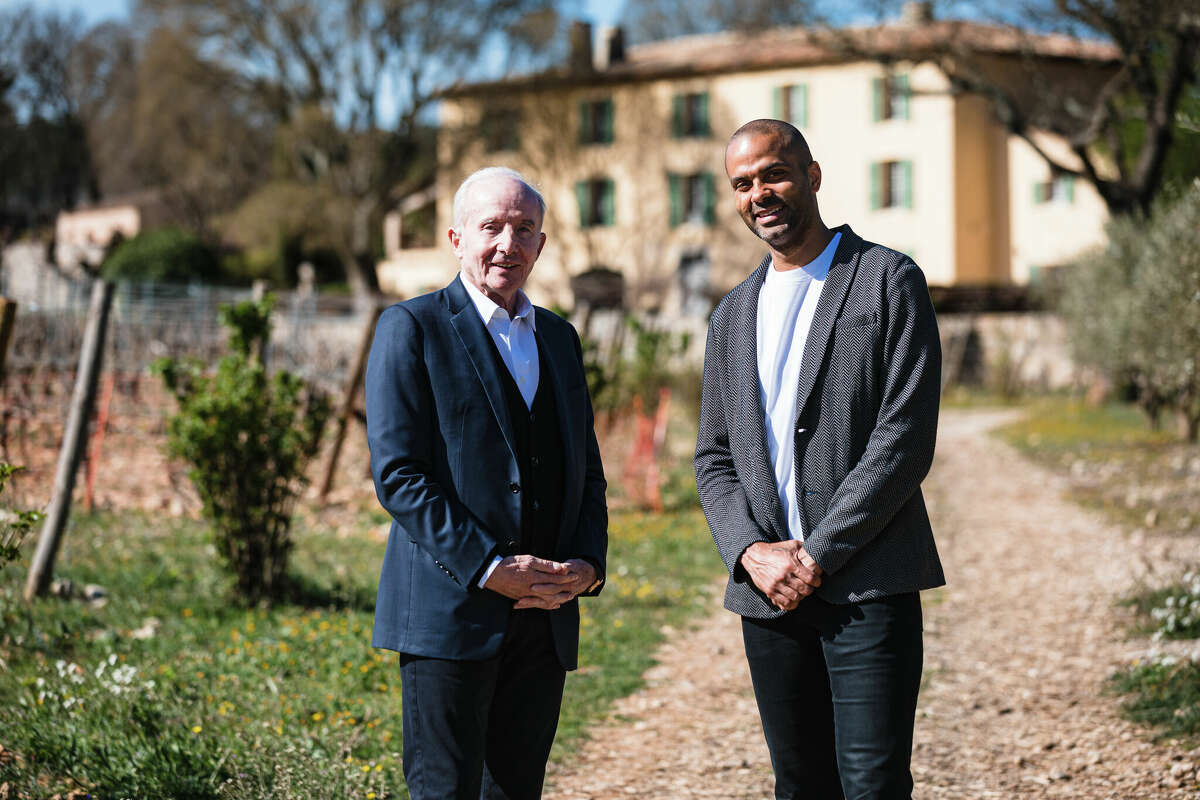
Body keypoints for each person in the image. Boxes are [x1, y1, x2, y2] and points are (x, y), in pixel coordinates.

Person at [694, 119, 945, 799]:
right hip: (766, 597)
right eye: (742, 183)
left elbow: (904, 440)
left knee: (873, 784)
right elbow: (713, 458)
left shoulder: (887, 280)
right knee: (798, 784)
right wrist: (751, 552)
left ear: (811, 174)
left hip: (867, 582)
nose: (759, 193)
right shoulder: (731, 315)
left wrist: (815, 555)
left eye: (772, 173)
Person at [365, 167, 608, 800]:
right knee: (444, 790)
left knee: (517, 790)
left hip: (545, 614)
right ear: (455, 237)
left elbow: (586, 468)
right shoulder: (411, 328)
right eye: (491, 227)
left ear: (542, 244)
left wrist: (587, 563)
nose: (508, 244)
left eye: (524, 229)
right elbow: (399, 476)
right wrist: (488, 565)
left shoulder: (559, 337)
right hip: (449, 612)